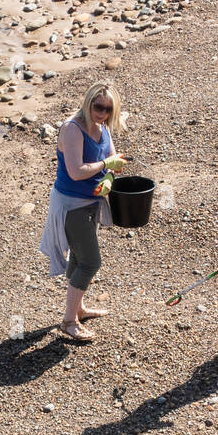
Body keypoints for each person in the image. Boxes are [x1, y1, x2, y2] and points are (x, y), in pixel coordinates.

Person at [39, 81, 128, 343]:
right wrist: (104, 164)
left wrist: (109, 177)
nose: (102, 114)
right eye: (98, 107)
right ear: (88, 102)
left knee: (79, 257)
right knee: (91, 262)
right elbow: (76, 172)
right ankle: (68, 321)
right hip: (70, 205)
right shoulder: (72, 129)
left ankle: (78, 308)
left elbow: (114, 161)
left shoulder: (102, 128)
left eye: (108, 110)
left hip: (91, 203)